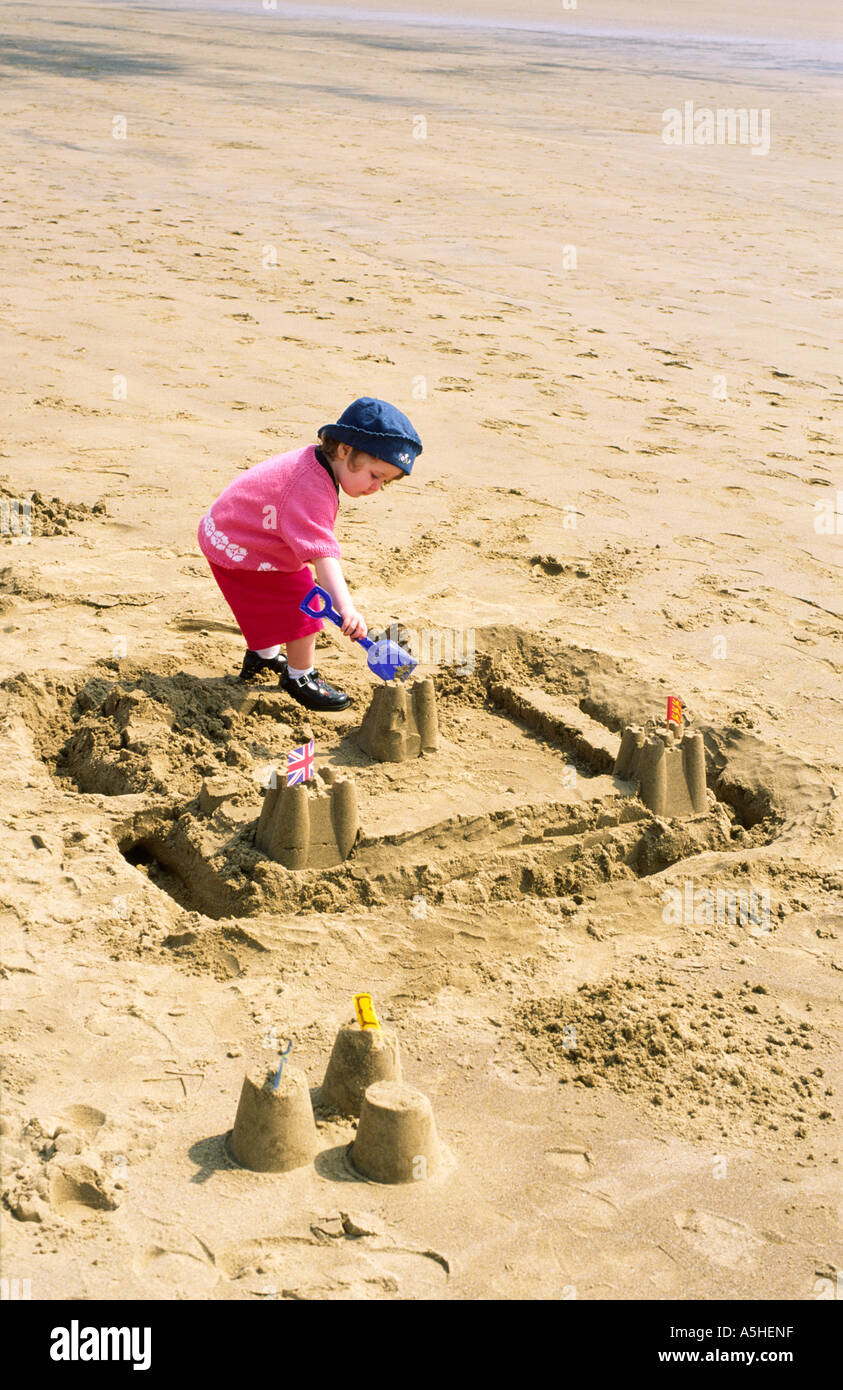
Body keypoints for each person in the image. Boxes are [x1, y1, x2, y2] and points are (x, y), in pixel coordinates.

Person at [197, 396, 422, 711]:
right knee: (305, 605)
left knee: (266, 605)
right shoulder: (310, 489)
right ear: (345, 450)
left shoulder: (315, 464)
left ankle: (263, 657)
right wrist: (346, 609)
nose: (375, 487)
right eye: (374, 475)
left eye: (384, 482)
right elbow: (323, 557)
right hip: (241, 548)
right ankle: (299, 676)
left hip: (226, 534)